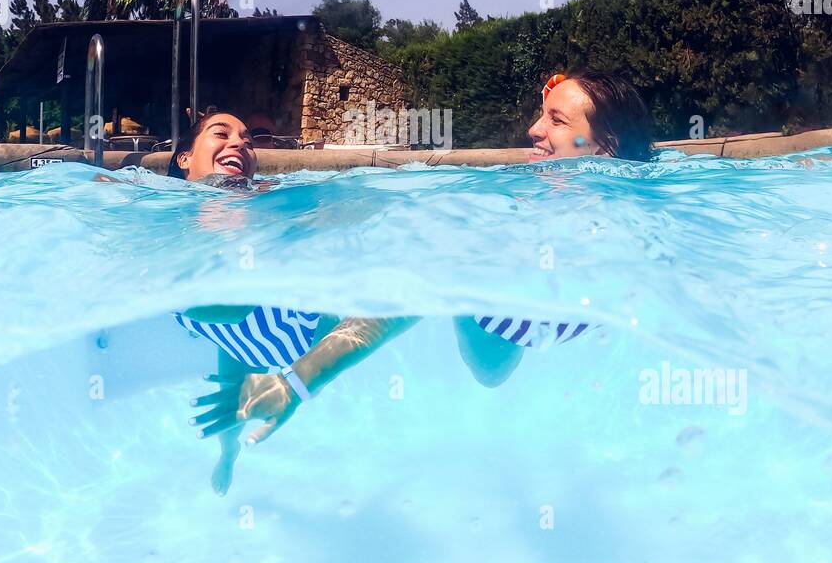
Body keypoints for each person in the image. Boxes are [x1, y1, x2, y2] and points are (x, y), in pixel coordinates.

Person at [168, 110, 414, 493]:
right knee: (230, 417)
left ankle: (234, 443)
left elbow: (401, 300)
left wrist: (297, 383)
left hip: (292, 333)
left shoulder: (277, 201)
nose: (240, 142)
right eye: (222, 133)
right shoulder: (159, 213)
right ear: (184, 158)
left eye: (248, 140)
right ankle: (229, 453)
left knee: (233, 397)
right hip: (230, 339)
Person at [456, 69, 654, 385]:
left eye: (556, 120)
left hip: (494, 348)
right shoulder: (561, 200)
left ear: (604, 148)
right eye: (541, 116)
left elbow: (497, 363)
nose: (533, 129)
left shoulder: (610, 231)